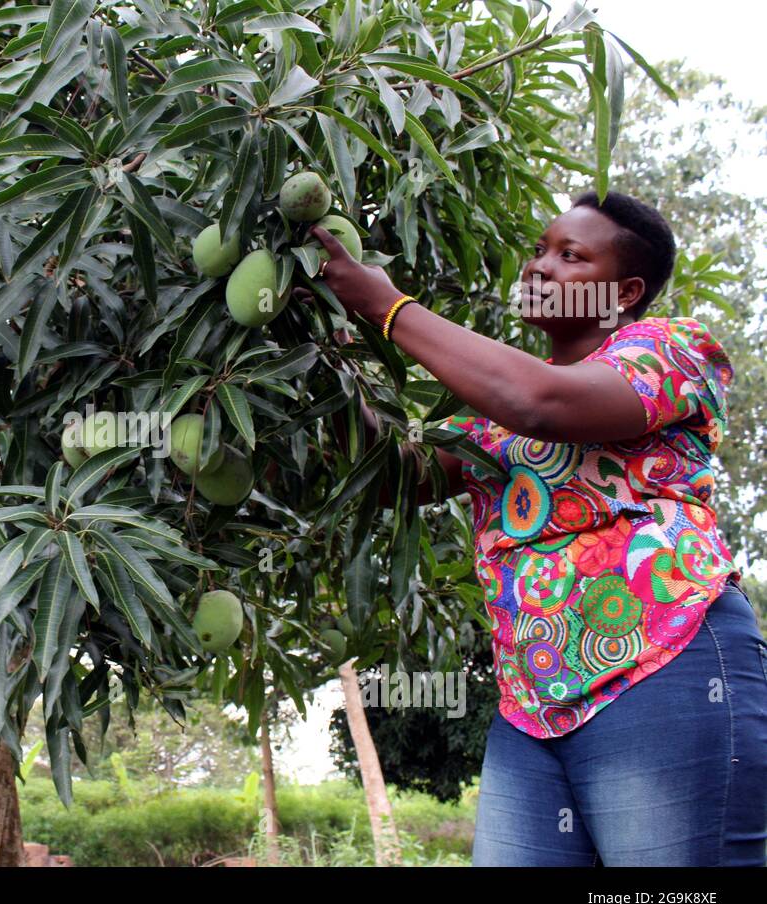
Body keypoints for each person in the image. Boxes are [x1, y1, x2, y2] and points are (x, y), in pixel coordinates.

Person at [309, 190, 767, 866]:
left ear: (626, 290)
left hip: (664, 667)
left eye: (570, 256)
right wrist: (327, 353)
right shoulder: (490, 423)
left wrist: (389, 306)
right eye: (539, 249)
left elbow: (540, 403)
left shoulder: (670, 353)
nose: (539, 267)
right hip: (532, 708)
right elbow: (390, 477)